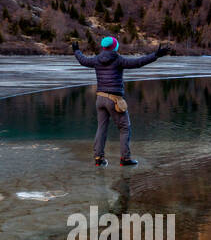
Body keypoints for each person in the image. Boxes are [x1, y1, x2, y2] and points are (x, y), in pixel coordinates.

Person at [73, 35, 171, 166]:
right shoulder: (118, 59)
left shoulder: (97, 59)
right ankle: (125, 158)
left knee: (101, 128)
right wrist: (156, 55)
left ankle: (98, 158)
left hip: (100, 99)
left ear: (103, 47)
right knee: (125, 127)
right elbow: (138, 63)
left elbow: (83, 60)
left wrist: (76, 51)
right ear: (115, 47)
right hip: (114, 100)